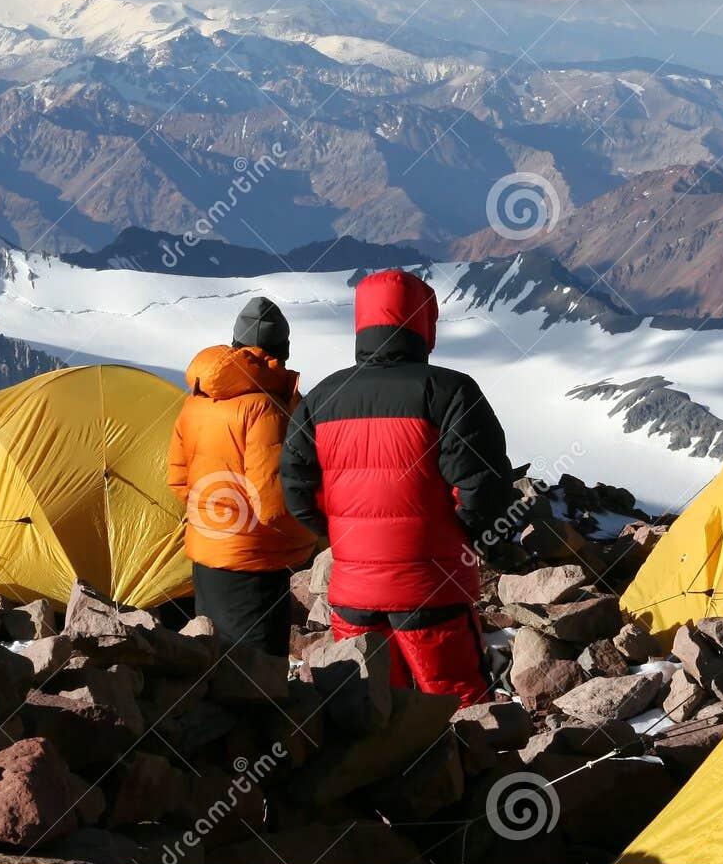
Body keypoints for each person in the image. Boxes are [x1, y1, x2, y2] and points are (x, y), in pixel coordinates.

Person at [280, 269, 512, 705]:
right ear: (426, 324)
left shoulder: (323, 397)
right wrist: (462, 537)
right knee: (456, 704)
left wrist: (346, 538)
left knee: (376, 709)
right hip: (432, 587)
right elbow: (483, 487)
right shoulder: (451, 391)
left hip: (353, 593)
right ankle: (469, 770)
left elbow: (297, 489)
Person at [167, 297, 316, 656]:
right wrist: (313, 534)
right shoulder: (264, 406)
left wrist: (213, 519)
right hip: (254, 560)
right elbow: (274, 505)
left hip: (208, 553)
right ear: (283, 350)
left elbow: (177, 478)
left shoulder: (198, 399)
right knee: (256, 673)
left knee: (216, 659)